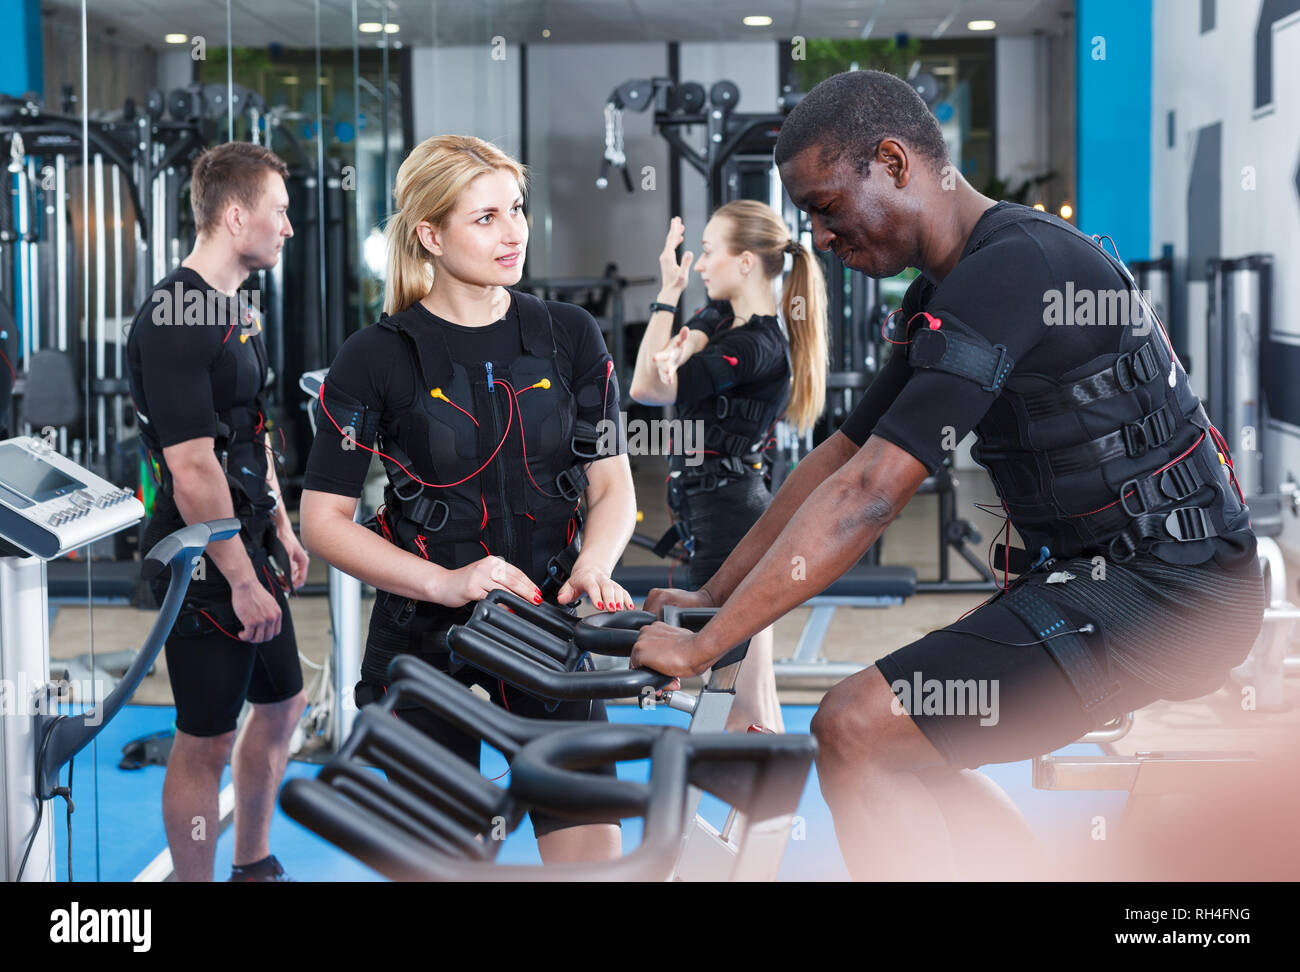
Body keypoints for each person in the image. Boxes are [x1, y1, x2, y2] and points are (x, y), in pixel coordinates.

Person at [630, 69, 1265, 880]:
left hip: (1175, 594)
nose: (819, 239)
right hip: (1103, 577)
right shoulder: (944, 288)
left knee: (855, 725)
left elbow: (870, 497)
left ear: (894, 163)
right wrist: (711, 598)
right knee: (906, 743)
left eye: (826, 207)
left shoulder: (1016, 267)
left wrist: (710, 643)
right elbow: (840, 459)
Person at [299, 135, 636, 863]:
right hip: (423, 642)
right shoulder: (375, 356)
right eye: (484, 218)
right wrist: (447, 582)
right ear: (431, 233)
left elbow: (612, 485)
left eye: (516, 209)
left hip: (548, 631)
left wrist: (595, 567)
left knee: (596, 865)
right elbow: (322, 522)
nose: (513, 231)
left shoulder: (570, 336)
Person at [127, 141, 308, 883]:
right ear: (237, 216)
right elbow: (191, 465)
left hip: (251, 543)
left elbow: (249, 432)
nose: (289, 227)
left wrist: (283, 529)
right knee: (204, 737)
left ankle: (251, 864)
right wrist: (238, 574)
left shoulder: (232, 308)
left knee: (285, 705)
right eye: (280, 212)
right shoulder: (175, 316)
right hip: (203, 561)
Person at [629, 203, 827, 733]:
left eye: (710, 251)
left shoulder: (755, 345)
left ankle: (770, 811)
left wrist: (666, 297)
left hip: (730, 523)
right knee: (746, 698)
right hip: (723, 517)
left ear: (744, 263)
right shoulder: (726, 320)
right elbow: (698, 328)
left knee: (737, 704)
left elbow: (647, 388)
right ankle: (770, 814)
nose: (699, 264)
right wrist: (685, 331)